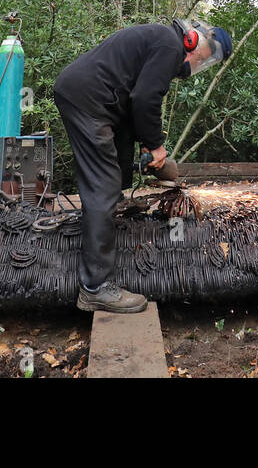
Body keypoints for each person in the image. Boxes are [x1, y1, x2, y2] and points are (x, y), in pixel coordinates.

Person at [53, 18, 233, 312]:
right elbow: (145, 99)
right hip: (88, 100)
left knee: (116, 163)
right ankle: (95, 288)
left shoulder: (162, 42)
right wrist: (157, 145)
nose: (202, 62)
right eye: (206, 56)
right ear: (195, 41)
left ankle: (111, 211)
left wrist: (147, 146)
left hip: (99, 101)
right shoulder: (170, 45)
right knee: (102, 185)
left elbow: (133, 102)